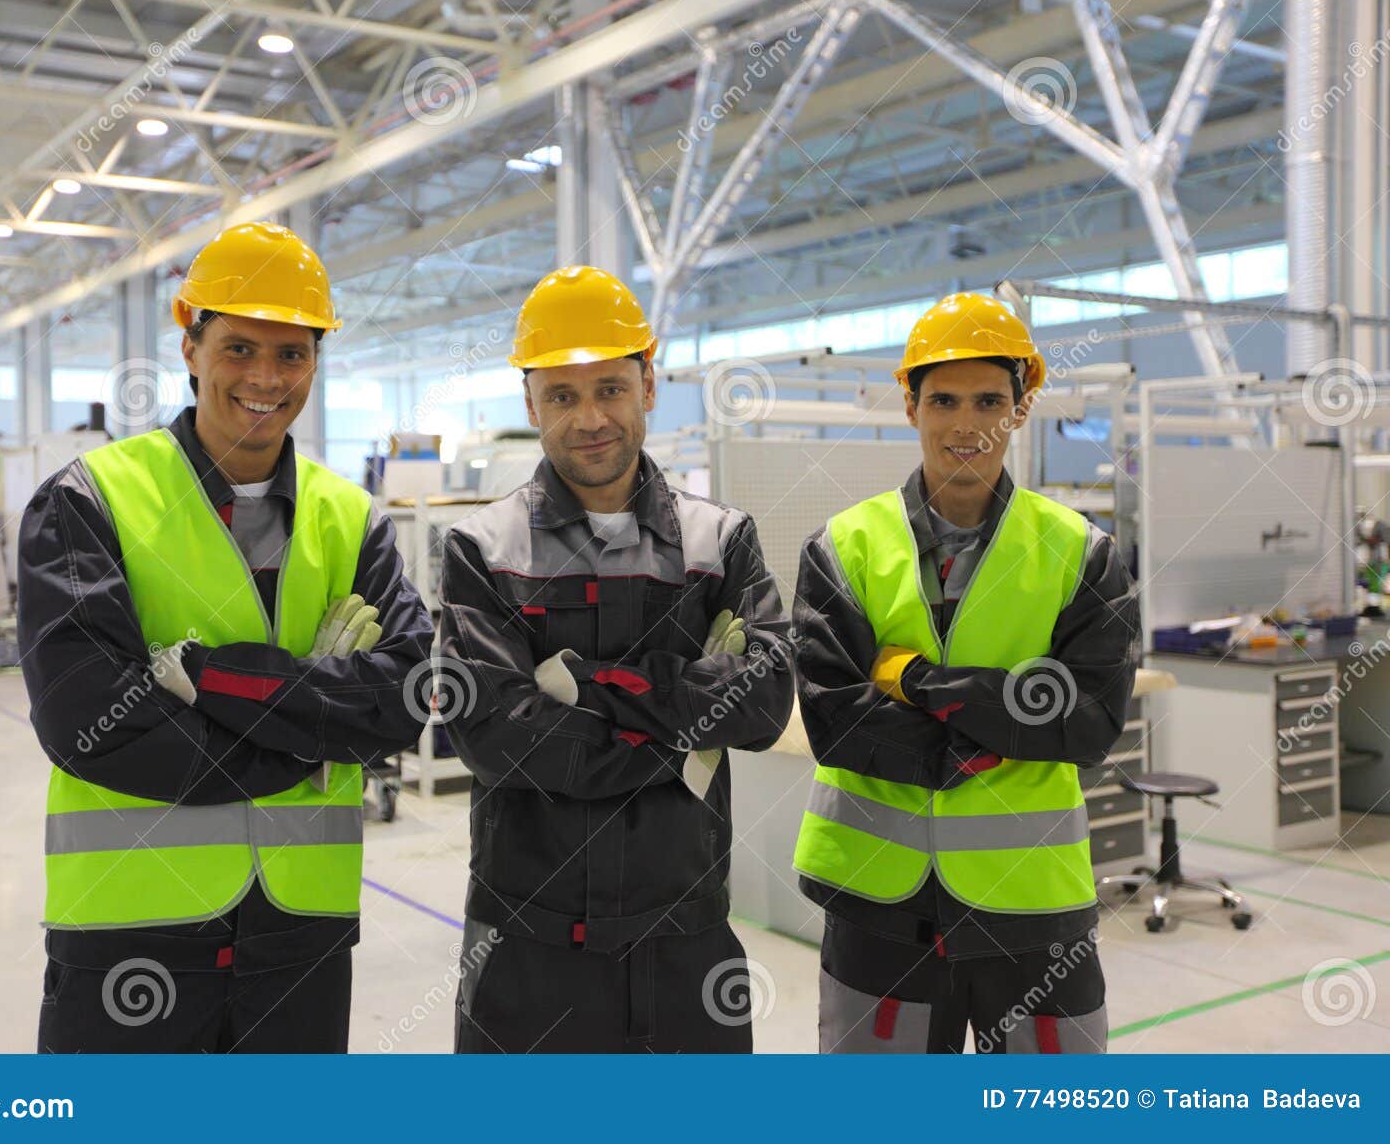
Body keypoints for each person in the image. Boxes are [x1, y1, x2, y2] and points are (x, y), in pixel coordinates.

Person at [18, 221, 432, 1053]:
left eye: (292, 355)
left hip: (301, 934)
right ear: (190, 345)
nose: (265, 378)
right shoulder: (90, 500)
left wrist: (212, 680)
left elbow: (408, 698)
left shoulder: (348, 519)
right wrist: (314, 741)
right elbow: (91, 722)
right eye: (239, 347)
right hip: (132, 930)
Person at [438, 266, 794, 1052]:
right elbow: (496, 736)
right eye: (562, 396)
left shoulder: (720, 540)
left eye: (610, 388)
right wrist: (681, 730)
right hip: (525, 947)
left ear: (649, 384)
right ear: (530, 402)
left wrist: (583, 692)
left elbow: (765, 705)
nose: (590, 417)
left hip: (687, 938)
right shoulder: (482, 548)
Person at [792, 291, 1139, 1054]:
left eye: (991, 399)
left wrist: (915, 681)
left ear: (1021, 408)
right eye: (944, 399)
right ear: (910, 403)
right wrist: (992, 731)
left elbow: (1087, 722)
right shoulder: (842, 548)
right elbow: (836, 722)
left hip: (1034, 905)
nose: (967, 424)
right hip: (877, 903)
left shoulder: (1083, 554)